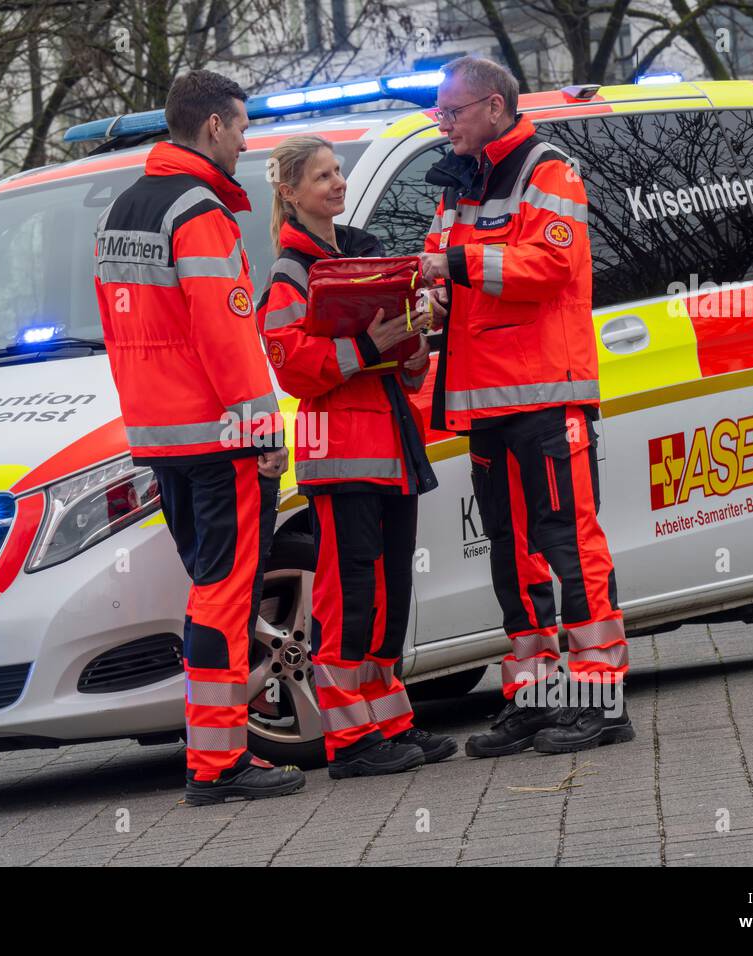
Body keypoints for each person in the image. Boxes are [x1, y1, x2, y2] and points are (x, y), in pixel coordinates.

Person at [93, 70, 306, 805]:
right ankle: (218, 765)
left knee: (209, 589)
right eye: (243, 127)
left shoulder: (123, 209)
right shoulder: (201, 213)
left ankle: (210, 756)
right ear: (212, 126)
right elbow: (228, 339)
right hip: (221, 439)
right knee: (223, 594)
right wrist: (264, 432)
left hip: (161, 438)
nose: (247, 142)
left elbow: (126, 334)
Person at [417, 56, 634, 755]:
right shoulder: (462, 182)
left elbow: (548, 266)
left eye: (453, 110)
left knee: (568, 543)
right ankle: (537, 697)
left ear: (495, 106)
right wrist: (426, 292)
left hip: (546, 394)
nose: (443, 123)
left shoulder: (549, 171)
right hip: (487, 401)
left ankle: (601, 701)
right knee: (513, 556)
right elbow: (434, 261)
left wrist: (457, 265)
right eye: (441, 112)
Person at [258, 135, 457, 779]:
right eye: (323, 176)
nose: (338, 183)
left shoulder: (359, 254)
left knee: (389, 594)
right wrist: (371, 349)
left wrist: (412, 343)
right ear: (291, 193)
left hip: (389, 447)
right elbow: (294, 368)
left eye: (339, 172)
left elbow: (400, 358)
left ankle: (388, 719)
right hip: (341, 455)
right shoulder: (292, 272)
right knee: (350, 600)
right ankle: (350, 741)